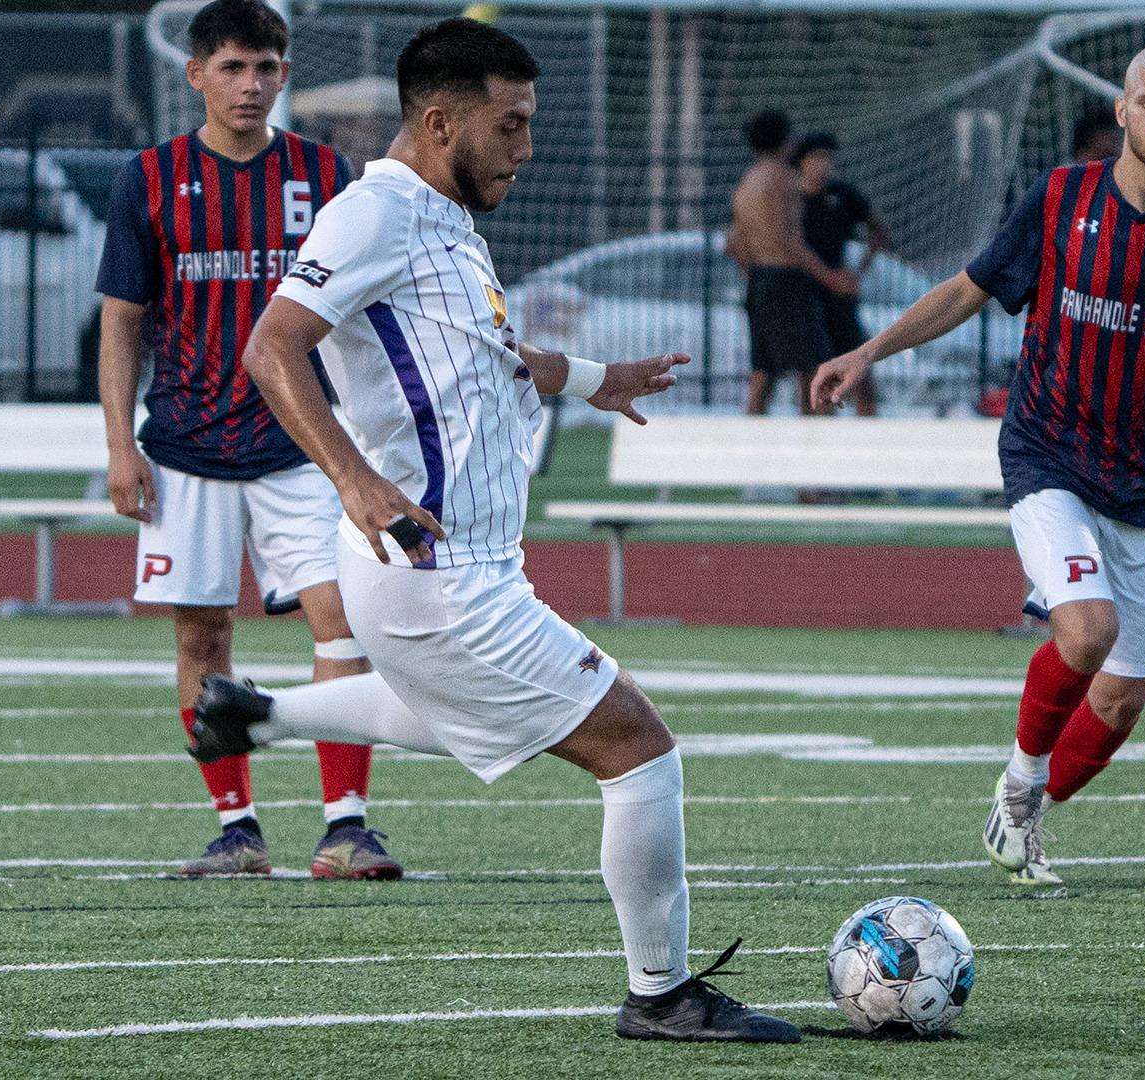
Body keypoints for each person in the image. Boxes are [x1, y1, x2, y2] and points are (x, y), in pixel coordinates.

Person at [191, 18, 802, 1043]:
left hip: (444, 571)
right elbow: (270, 347)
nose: (525, 148)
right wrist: (354, 481)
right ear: (440, 123)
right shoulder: (371, 215)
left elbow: (496, 357)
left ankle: (261, 716)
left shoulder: (445, 218)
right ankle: (660, 993)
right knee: (639, 750)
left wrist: (601, 380)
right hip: (433, 569)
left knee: (486, 716)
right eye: (509, 126)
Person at [811, 44, 1145, 888]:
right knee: (1087, 631)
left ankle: (1027, 816)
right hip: (1047, 449)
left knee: (1121, 700)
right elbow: (967, 290)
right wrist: (869, 349)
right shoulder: (1060, 198)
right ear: (1121, 111)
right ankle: (1018, 787)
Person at [95, 0, 400, 880]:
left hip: (298, 443)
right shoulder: (147, 178)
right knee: (200, 639)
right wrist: (121, 446)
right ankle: (237, 830)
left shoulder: (328, 173)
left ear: (284, 73)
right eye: (231, 66)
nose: (250, 83)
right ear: (195, 74)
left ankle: (347, 826)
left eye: (266, 66)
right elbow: (122, 326)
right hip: (184, 447)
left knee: (339, 620)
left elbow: (359, 313)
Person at [727, 111, 856, 415]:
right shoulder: (783, 179)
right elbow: (790, 242)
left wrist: (756, 276)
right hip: (785, 281)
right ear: (785, 140)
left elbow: (733, 245)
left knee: (764, 371)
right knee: (815, 367)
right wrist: (830, 278)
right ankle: (819, 447)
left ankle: (749, 449)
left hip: (759, 281)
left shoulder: (747, 182)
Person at [793, 131, 891, 416]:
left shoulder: (842, 195)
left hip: (839, 295)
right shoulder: (791, 200)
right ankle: (814, 431)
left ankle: (868, 420)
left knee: (858, 366)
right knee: (811, 373)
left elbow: (879, 232)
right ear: (802, 163)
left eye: (826, 158)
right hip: (805, 294)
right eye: (815, 158)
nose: (821, 165)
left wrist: (858, 272)